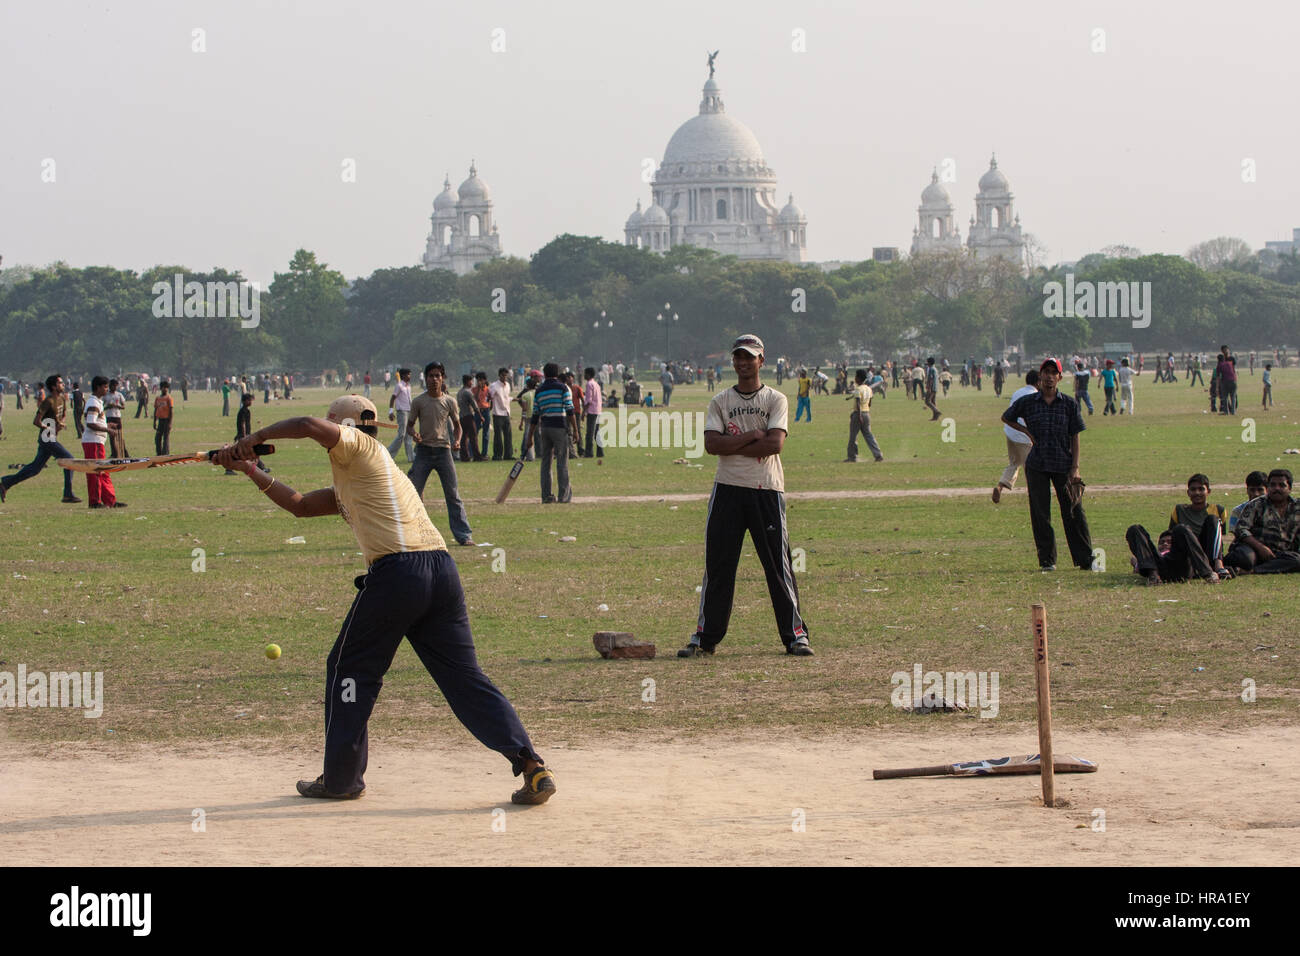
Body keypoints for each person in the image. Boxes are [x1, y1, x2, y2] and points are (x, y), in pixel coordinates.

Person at [214, 396, 555, 804]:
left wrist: (254, 438)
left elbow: (305, 423)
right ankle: (532, 765)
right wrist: (249, 467)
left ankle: (341, 780)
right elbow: (300, 506)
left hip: (399, 574)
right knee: (465, 678)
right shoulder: (367, 475)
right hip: (441, 573)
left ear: (345, 426)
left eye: (332, 424)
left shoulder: (360, 447)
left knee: (350, 671)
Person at [680, 333, 811, 659]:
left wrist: (734, 441)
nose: (743, 362)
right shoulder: (720, 401)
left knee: (777, 566)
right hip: (727, 490)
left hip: (765, 488)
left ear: (761, 361)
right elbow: (712, 445)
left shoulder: (775, 400)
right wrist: (754, 435)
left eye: (749, 357)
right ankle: (705, 638)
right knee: (719, 567)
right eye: (738, 356)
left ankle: (795, 636)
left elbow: (775, 444)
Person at [1001, 358, 1092, 571]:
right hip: (1037, 464)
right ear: (1040, 376)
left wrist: (1075, 467)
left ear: (1060, 377)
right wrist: (1026, 432)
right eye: (1046, 372)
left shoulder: (1069, 404)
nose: (1050, 376)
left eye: (1054, 373)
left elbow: (1075, 436)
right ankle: (1047, 561)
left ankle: (1085, 559)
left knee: (1073, 511)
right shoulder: (1029, 402)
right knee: (1040, 513)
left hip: (1063, 463)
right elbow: (1007, 417)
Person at [407, 362, 473, 546]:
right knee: (413, 493)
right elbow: (409, 426)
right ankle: (411, 534)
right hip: (424, 451)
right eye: (431, 376)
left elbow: (458, 427)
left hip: (444, 452)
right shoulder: (419, 401)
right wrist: (415, 435)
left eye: (438, 376)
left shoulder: (449, 401)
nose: (434, 379)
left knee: (452, 494)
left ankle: (464, 535)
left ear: (442, 378)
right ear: (425, 378)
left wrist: (457, 441)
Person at [0, 374, 81, 505]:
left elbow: (63, 414)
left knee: (35, 469)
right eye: (60, 383)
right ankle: (68, 494)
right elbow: (36, 421)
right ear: (54, 387)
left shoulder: (61, 399)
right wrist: (48, 427)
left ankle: (6, 483)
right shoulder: (48, 401)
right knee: (69, 460)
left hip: (51, 437)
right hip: (46, 438)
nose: (63, 385)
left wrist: (60, 423)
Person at [1224, 469, 1300, 574]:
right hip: (1253, 549)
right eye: (1273, 485)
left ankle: (1253, 571)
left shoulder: (1297, 508)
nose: (1276, 488)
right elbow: (1241, 529)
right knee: (1245, 559)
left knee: (1297, 560)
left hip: (1281, 553)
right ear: (1268, 487)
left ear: (1290, 488)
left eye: (1281, 485)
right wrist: (1261, 548)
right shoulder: (1257, 504)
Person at [529, 363, 579, 503]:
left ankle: (547, 496)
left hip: (544, 428)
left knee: (546, 463)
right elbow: (570, 410)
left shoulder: (539, 390)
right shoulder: (562, 388)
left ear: (545, 374)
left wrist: (529, 437)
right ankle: (563, 496)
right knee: (562, 462)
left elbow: (535, 415)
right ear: (557, 373)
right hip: (559, 427)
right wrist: (575, 430)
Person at [992, 370, 1038, 504]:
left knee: (1014, 463)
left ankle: (1000, 486)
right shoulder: (1035, 395)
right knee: (1031, 467)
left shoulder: (1018, 392)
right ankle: (1034, 495)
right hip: (1023, 436)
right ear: (1038, 382)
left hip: (1010, 433)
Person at [79, 376, 124, 509]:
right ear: (98, 387)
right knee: (96, 471)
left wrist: (108, 425)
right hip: (93, 442)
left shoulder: (97, 401)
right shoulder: (93, 402)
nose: (106, 389)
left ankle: (110, 500)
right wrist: (107, 429)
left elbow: (95, 420)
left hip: (97, 441)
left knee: (104, 471)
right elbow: (91, 423)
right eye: (105, 387)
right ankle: (94, 502)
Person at [1126, 528, 1218, 585]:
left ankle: (1208, 574)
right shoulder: (1153, 556)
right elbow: (1135, 561)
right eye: (1162, 542)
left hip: (1179, 566)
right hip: (1157, 569)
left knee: (1181, 528)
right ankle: (1153, 576)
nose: (1165, 544)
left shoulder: (1180, 550)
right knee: (1134, 529)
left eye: (1169, 542)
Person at [843, 368, 883, 463]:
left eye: (856, 377)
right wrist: (865, 412)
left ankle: (852, 457)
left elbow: (858, 403)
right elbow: (869, 403)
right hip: (866, 413)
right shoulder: (868, 389)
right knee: (869, 435)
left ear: (859, 378)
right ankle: (878, 454)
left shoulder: (858, 389)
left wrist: (859, 415)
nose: (855, 379)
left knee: (853, 436)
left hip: (858, 414)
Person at [456, 374, 482, 462]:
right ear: (468, 382)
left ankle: (464, 457)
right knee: (473, 437)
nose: (472, 383)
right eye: (471, 381)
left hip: (461, 416)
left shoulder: (459, 392)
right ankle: (477, 456)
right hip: (469, 416)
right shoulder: (468, 392)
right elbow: (474, 405)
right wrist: (480, 416)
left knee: (463, 438)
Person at [489, 367, 513, 461]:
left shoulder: (507, 385)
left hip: (506, 412)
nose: (504, 377)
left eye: (506, 375)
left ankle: (508, 455)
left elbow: (506, 397)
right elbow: (490, 397)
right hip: (497, 413)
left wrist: (513, 399)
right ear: (499, 375)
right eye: (503, 375)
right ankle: (497, 455)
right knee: (498, 436)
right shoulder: (494, 386)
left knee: (508, 435)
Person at [582, 367, 604, 459]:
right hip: (598, 410)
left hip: (592, 411)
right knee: (596, 433)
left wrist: (584, 412)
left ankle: (589, 453)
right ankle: (600, 452)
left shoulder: (589, 384)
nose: (584, 375)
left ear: (589, 374)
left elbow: (588, 400)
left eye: (585, 373)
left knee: (590, 433)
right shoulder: (596, 384)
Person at [105, 378, 126, 458]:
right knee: (111, 436)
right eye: (113, 386)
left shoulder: (119, 395)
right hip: (109, 416)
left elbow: (123, 406)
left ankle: (124, 452)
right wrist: (108, 406)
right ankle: (114, 453)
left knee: (120, 435)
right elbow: (102, 407)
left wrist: (117, 406)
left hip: (117, 416)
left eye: (116, 386)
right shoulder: (106, 395)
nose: (114, 387)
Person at [152, 380, 174, 455]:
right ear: (161, 388)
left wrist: (170, 423)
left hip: (166, 420)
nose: (165, 389)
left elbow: (171, 411)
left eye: (166, 388)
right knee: (157, 438)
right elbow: (155, 410)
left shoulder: (169, 398)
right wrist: (154, 421)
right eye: (163, 387)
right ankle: (159, 453)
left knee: (165, 438)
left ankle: (166, 453)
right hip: (160, 420)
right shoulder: (158, 398)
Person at [922, 357, 941, 421]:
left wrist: (929, 387)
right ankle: (935, 417)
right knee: (933, 401)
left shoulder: (931, 369)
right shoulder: (935, 369)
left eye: (927, 362)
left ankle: (937, 411)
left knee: (927, 401)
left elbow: (931, 379)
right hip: (935, 387)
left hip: (931, 387)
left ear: (929, 362)